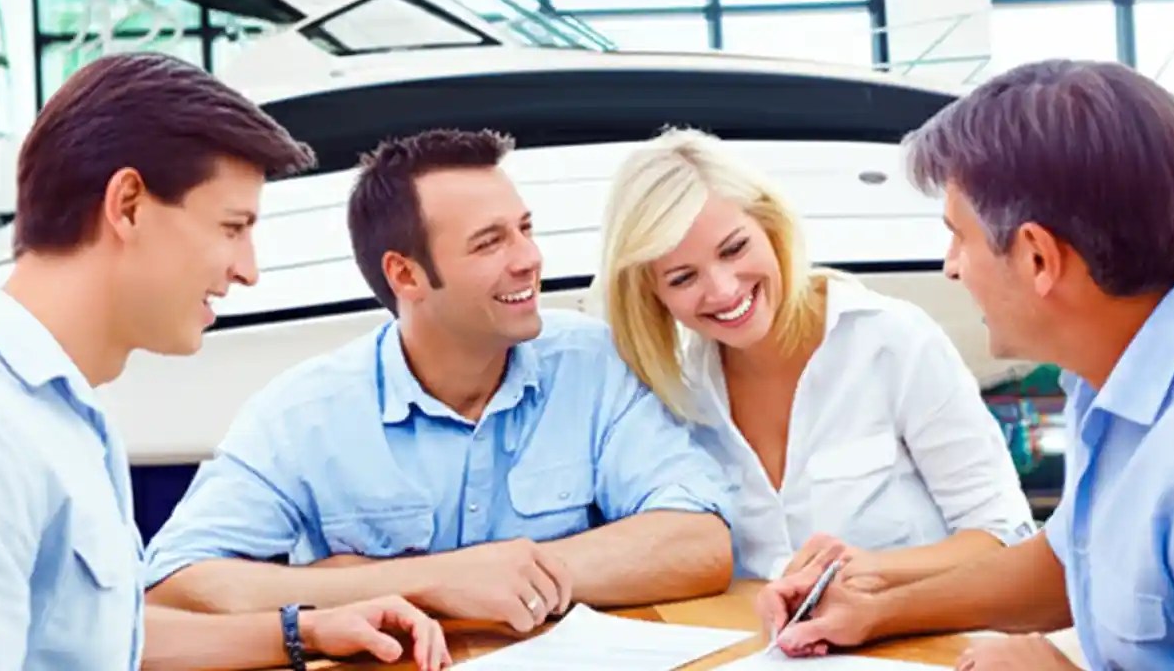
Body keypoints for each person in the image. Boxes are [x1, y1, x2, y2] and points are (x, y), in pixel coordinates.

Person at [0, 53, 450, 671]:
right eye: (232, 228)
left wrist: (306, 631)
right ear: (129, 205)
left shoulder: (57, 409)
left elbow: (105, 637)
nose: (248, 270)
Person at [142, 128, 735, 633]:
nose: (529, 258)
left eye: (524, 228)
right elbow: (173, 584)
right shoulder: (306, 413)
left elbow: (699, 543)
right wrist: (433, 582)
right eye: (490, 242)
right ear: (406, 275)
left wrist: (503, 577)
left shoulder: (593, 364)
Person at [758, 59, 1174, 671]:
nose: (950, 266)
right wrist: (877, 611)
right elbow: (1070, 562)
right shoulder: (1115, 367)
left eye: (960, 236)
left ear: (1037, 257)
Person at [595, 126, 1036, 586]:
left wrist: (866, 572)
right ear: (653, 296)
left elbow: (1004, 534)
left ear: (770, 227)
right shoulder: (677, 396)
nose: (723, 290)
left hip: (918, 632)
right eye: (683, 278)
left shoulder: (892, 342)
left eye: (735, 248)